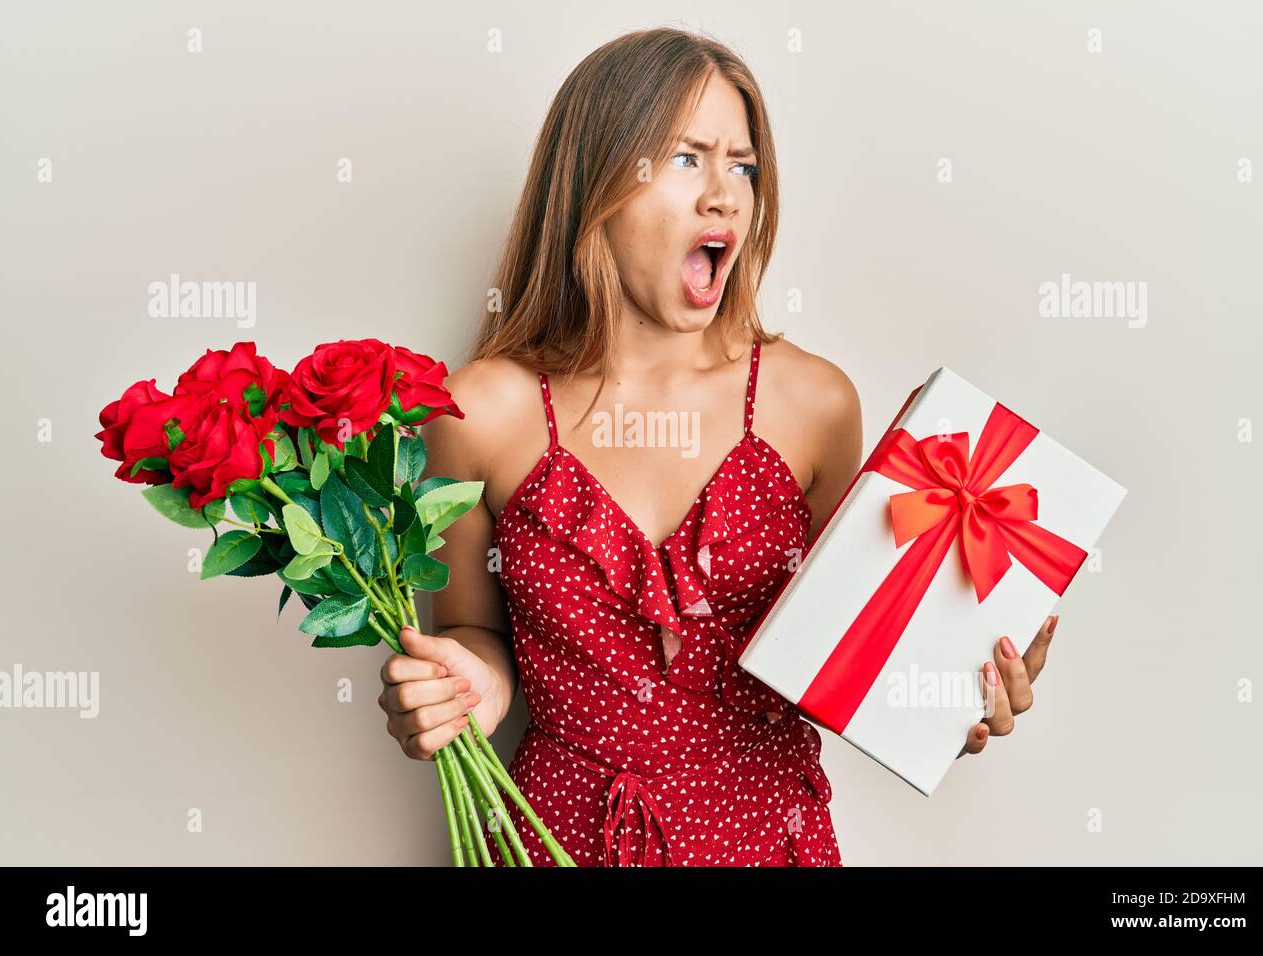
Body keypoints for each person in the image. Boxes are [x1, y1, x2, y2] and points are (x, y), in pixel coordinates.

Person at [377, 27, 1059, 866]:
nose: (725, 197)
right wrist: (467, 687)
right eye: (686, 158)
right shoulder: (479, 412)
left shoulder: (815, 405)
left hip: (770, 841)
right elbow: (475, 631)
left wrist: (947, 700)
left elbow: (841, 657)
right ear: (595, 182)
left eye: (742, 165)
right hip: (557, 840)